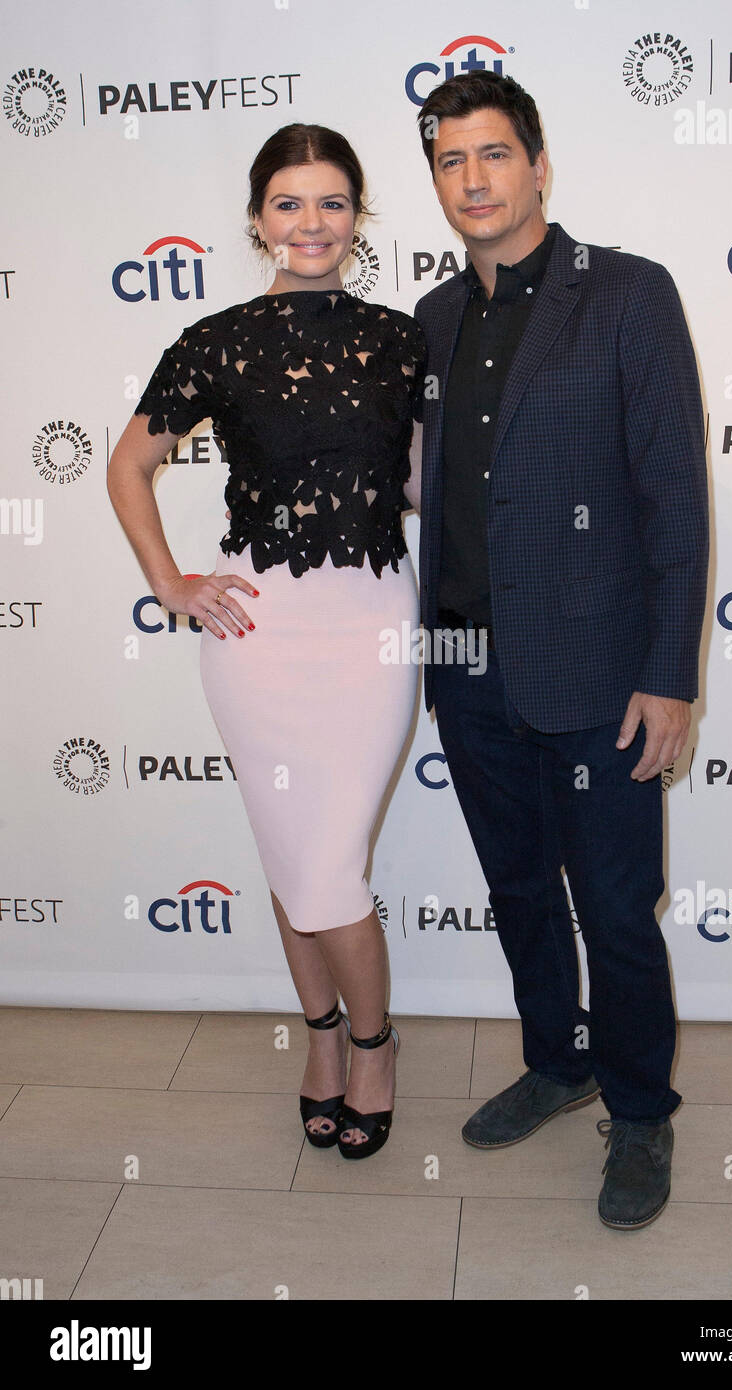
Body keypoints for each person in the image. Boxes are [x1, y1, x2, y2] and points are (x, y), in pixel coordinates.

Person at [412, 72, 709, 1228]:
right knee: (518, 891)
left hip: (597, 674)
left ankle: (637, 1112)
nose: (473, 179)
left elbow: (672, 500)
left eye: (493, 154)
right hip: (471, 667)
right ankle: (558, 1055)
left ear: (538, 165)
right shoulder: (434, 319)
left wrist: (668, 674)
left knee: (617, 909)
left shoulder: (627, 294)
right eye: (449, 159)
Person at [107, 124, 426, 1160]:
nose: (310, 223)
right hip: (258, 631)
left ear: (357, 217)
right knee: (296, 860)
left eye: (332, 202)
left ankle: (372, 1045)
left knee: (328, 863)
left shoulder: (399, 337)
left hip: (371, 622)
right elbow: (126, 466)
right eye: (288, 203)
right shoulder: (217, 339)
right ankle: (325, 1043)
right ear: (257, 219)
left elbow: (420, 483)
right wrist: (171, 584)